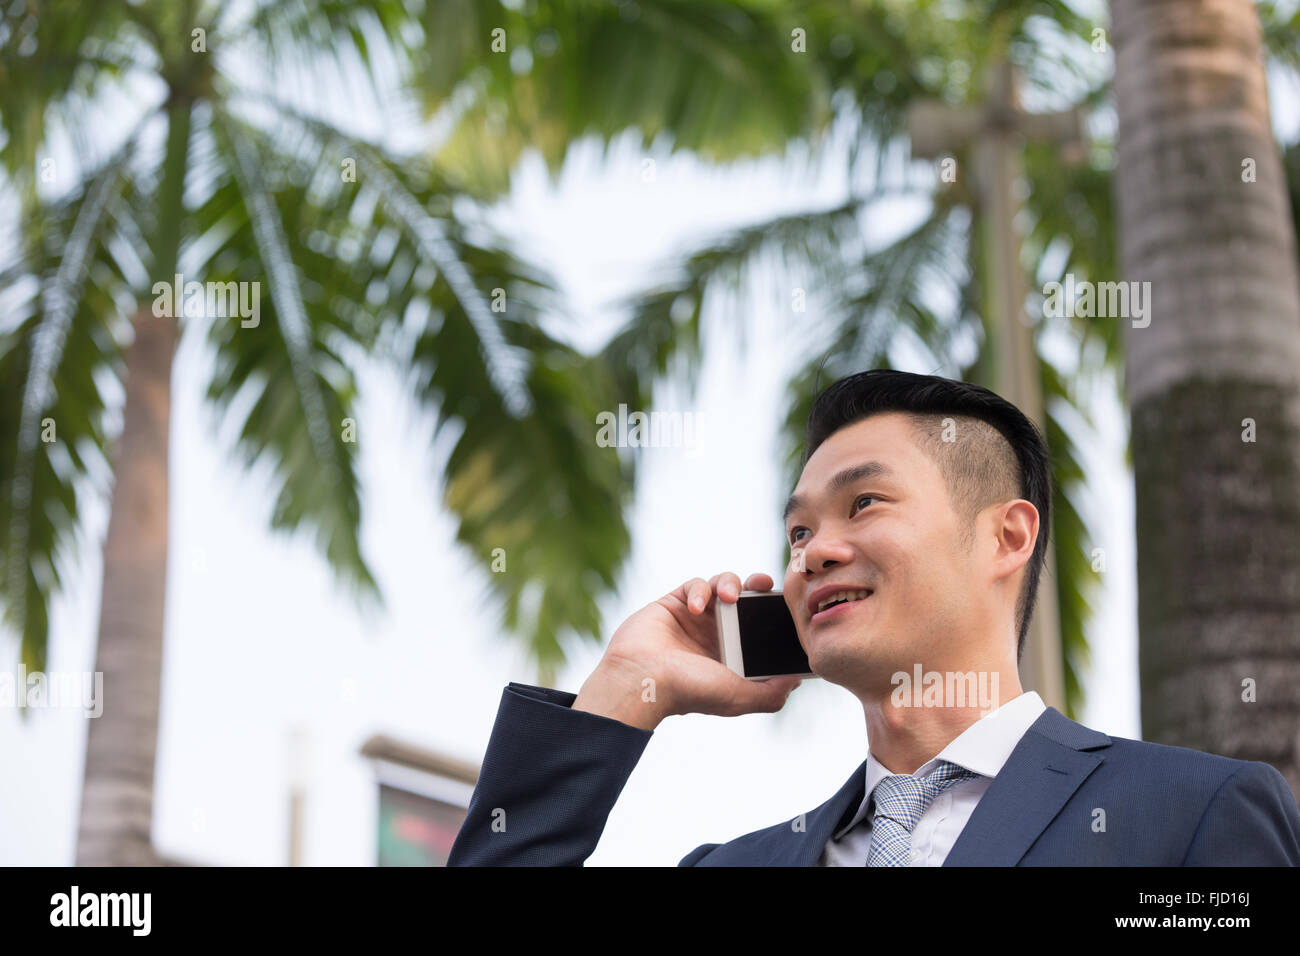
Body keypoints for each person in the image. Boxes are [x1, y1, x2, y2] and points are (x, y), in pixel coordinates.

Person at [447, 369, 1300, 866]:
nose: (814, 552)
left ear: (1006, 536)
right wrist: (625, 686)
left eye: (864, 504)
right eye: (799, 531)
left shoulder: (1190, 815)